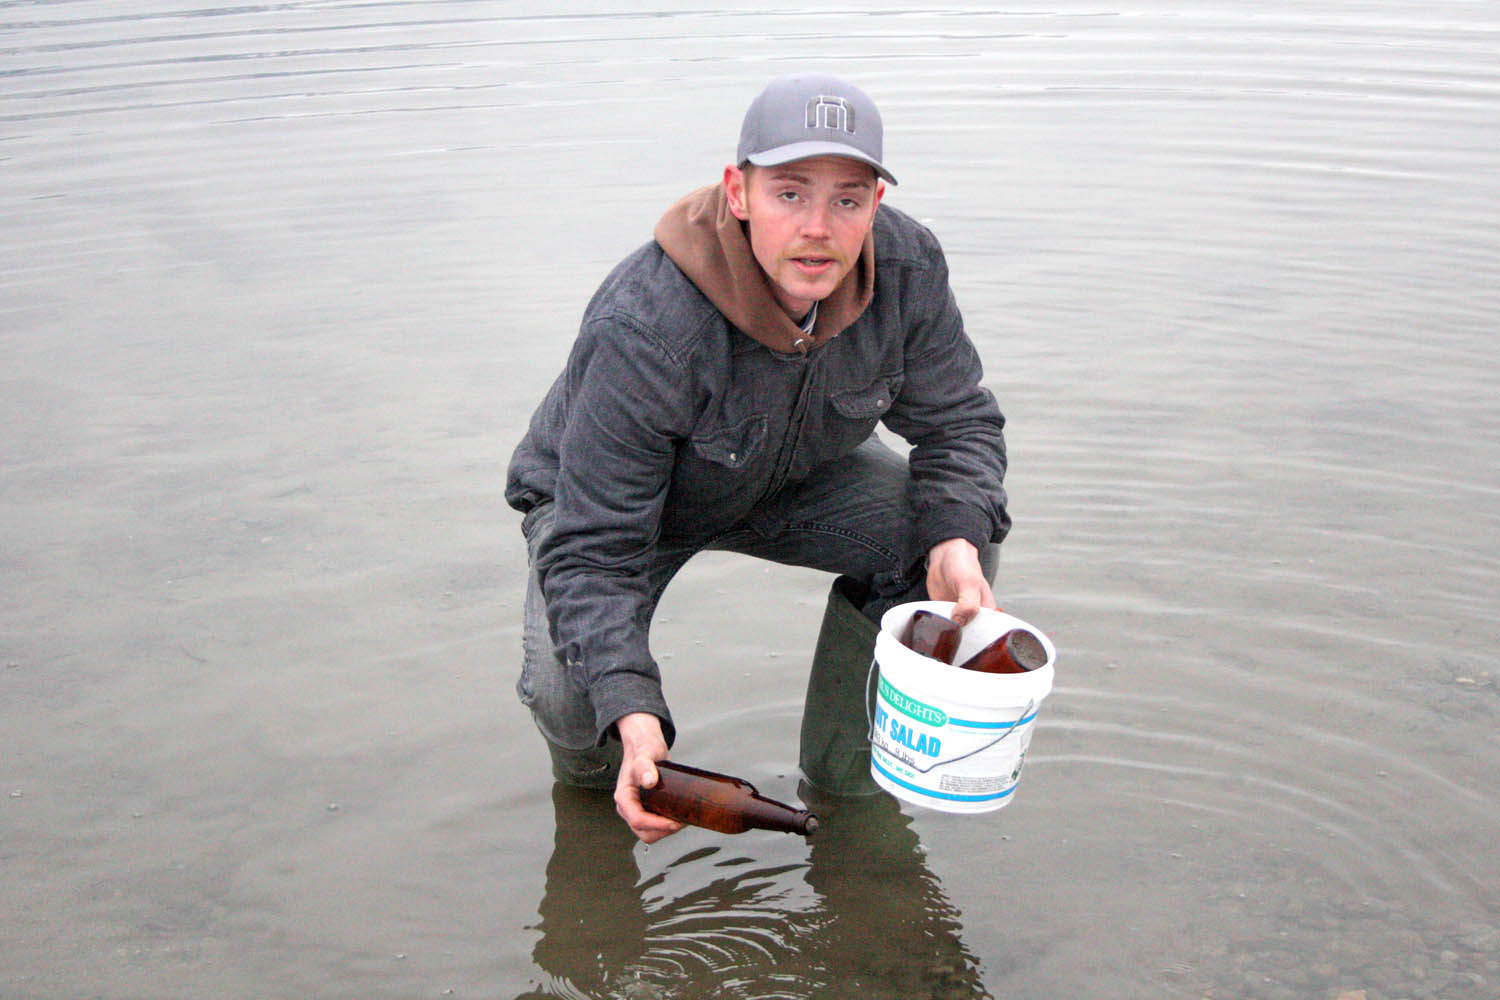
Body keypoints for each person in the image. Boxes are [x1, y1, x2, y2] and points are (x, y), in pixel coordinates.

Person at [506, 73, 1010, 843]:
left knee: (959, 536)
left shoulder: (907, 269)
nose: (819, 227)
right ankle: (598, 792)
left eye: (847, 198)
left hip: (801, 479)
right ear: (737, 193)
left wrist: (953, 542)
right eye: (790, 194)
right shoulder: (647, 324)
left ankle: (842, 787)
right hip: (618, 518)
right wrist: (634, 710)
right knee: (580, 700)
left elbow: (960, 423)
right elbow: (594, 553)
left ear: (875, 204)